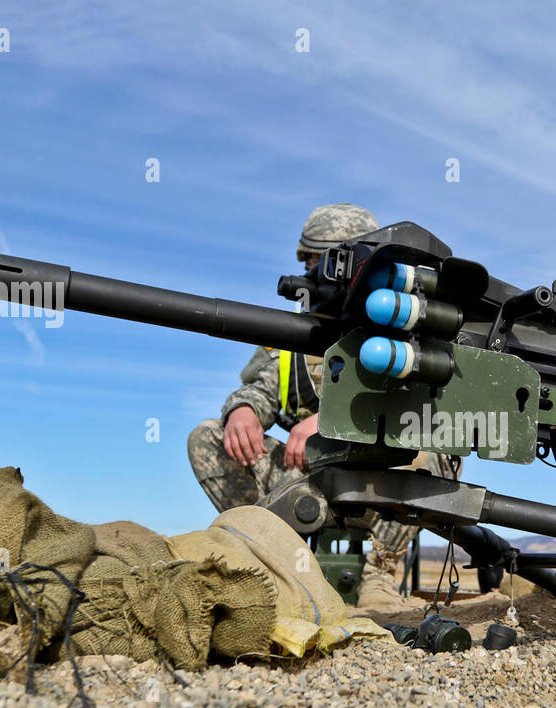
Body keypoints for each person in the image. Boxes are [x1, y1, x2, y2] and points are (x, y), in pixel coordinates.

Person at [187, 202, 460, 609]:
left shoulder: (406, 332)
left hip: (381, 485)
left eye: (326, 261)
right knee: (207, 437)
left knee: (436, 449)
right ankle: (268, 566)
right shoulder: (291, 337)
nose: (315, 271)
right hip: (305, 480)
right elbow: (261, 388)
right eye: (311, 260)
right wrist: (241, 411)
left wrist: (330, 421)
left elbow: (427, 409)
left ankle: (378, 578)